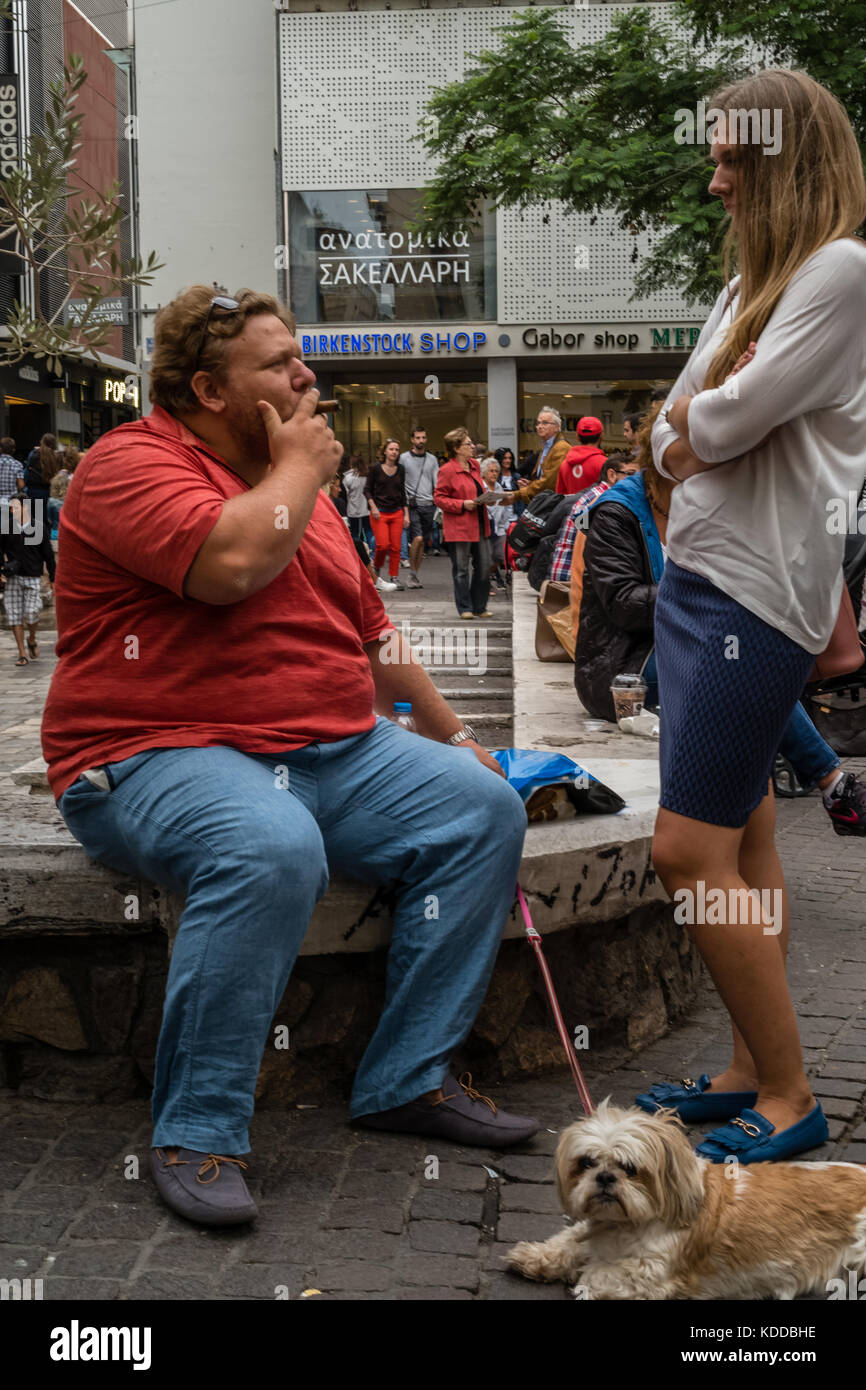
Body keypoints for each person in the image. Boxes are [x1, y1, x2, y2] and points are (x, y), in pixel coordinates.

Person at [41, 284, 539, 1228]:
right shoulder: (129, 464)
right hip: (153, 754)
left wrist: (463, 741)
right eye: (276, 363)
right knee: (270, 847)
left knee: (483, 812)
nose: (304, 375)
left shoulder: (291, 484)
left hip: (334, 749)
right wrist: (301, 473)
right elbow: (227, 567)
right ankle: (199, 1131)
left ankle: (405, 1079)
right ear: (208, 390)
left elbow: (373, 634)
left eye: (297, 355)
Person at [641, 70, 866, 1164]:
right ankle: (744, 1068)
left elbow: (713, 427)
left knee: (685, 850)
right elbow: (665, 432)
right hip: (701, 581)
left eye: (732, 157)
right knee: (745, 836)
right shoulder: (750, 288)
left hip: (751, 593)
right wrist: (691, 425)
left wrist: (695, 424)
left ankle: (787, 1091)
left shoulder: (836, 273)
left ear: (784, 161)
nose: (714, 176)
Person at [574, 450, 671, 721]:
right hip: (622, 668)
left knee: (758, 654)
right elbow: (624, 602)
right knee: (742, 667)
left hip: (680, 645)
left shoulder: (704, 506)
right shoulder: (615, 512)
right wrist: (698, 593)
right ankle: (798, 759)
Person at [434, 426, 497, 620]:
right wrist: (462, 504)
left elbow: (477, 490)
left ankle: (480, 605)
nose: (472, 447)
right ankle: (465, 607)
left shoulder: (475, 466)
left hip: (480, 523)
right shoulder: (447, 470)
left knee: (485, 566)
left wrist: (488, 498)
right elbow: (439, 498)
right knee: (461, 569)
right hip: (460, 526)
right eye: (468, 444)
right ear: (457, 448)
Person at [549, 452, 638, 585]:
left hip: (568, 575)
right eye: (631, 474)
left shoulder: (598, 497)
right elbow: (591, 546)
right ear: (612, 475)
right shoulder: (601, 502)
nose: (637, 481)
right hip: (571, 580)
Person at [0, 494, 55, 665]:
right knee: (14, 616)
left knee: (32, 613)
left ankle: (31, 638)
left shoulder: (38, 528)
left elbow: (48, 555)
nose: (12, 510)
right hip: (13, 578)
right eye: (11, 507)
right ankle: (22, 653)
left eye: (15, 507)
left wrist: (53, 577)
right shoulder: (7, 527)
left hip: (32, 576)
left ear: (25, 508)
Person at [365, 438, 409, 591]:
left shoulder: (401, 469)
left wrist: (406, 514)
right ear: (385, 451)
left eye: (397, 449)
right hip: (379, 513)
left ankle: (394, 577)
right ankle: (376, 568)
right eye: (391, 449)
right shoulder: (376, 469)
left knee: (396, 547)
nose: (394, 452)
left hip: (396, 511)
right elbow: (367, 490)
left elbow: (403, 493)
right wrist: (373, 507)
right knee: (382, 545)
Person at [399, 427, 439, 590]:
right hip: (412, 504)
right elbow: (400, 482)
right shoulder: (403, 458)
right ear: (412, 440)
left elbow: (436, 482)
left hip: (428, 504)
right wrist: (403, 505)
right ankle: (410, 573)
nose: (420, 441)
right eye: (417, 438)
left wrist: (438, 501)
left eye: (423, 437)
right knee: (418, 538)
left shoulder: (432, 459)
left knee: (423, 543)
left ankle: (414, 574)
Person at [515, 408, 570, 503]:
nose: (540, 426)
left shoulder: (561, 448)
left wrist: (518, 494)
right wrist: (531, 484)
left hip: (554, 504)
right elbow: (542, 479)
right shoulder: (546, 447)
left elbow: (548, 483)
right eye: (538, 423)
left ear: (556, 427)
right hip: (545, 502)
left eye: (545, 423)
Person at [555, 417, 607, 494]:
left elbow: (560, 496)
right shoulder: (605, 463)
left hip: (570, 506)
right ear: (601, 436)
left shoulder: (564, 464)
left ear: (577, 437)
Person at [340, 452, 376, 558]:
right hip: (366, 509)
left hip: (353, 509)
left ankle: (358, 555)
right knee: (369, 531)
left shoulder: (348, 478)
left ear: (352, 465)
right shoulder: (367, 476)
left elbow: (345, 494)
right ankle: (372, 553)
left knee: (355, 533)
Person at [482, 458, 509, 593]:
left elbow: (504, 507)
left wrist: (505, 525)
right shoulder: (481, 487)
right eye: (491, 471)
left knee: (499, 556)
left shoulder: (499, 487)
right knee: (486, 556)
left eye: (496, 471)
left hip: (499, 528)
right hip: (486, 528)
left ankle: (490, 575)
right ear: (484, 473)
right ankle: (486, 583)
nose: (494, 473)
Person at [24, 433, 60, 525]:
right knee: (44, 521)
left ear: (42, 442)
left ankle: (34, 538)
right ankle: (44, 538)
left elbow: (27, 473)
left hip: (32, 491)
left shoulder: (33, 454)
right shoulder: (56, 456)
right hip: (48, 492)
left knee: (32, 521)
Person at [47, 445, 80, 533]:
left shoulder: (58, 478)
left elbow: (49, 517)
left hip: (57, 531)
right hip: (75, 529)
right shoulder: (80, 477)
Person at [0, 437, 24, 503]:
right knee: (38, 511)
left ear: (0, 449)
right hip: (12, 501)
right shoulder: (17, 464)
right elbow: (21, 485)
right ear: (13, 450)